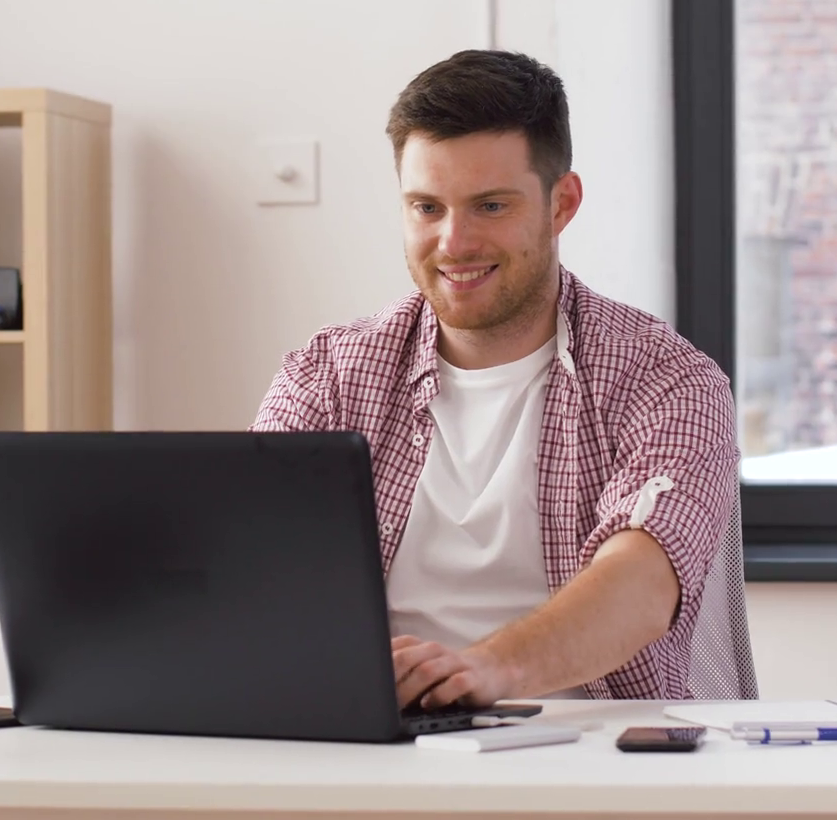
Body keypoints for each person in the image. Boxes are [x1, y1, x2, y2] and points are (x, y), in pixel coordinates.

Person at [252, 50, 739, 707]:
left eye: (489, 206)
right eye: (427, 208)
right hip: (374, 754)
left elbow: (643, 581)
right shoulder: (327, 375)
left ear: (561, 204)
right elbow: (256, 575)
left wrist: (484, 673)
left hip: (594, 763)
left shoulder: (668, 379)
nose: (454, 242)